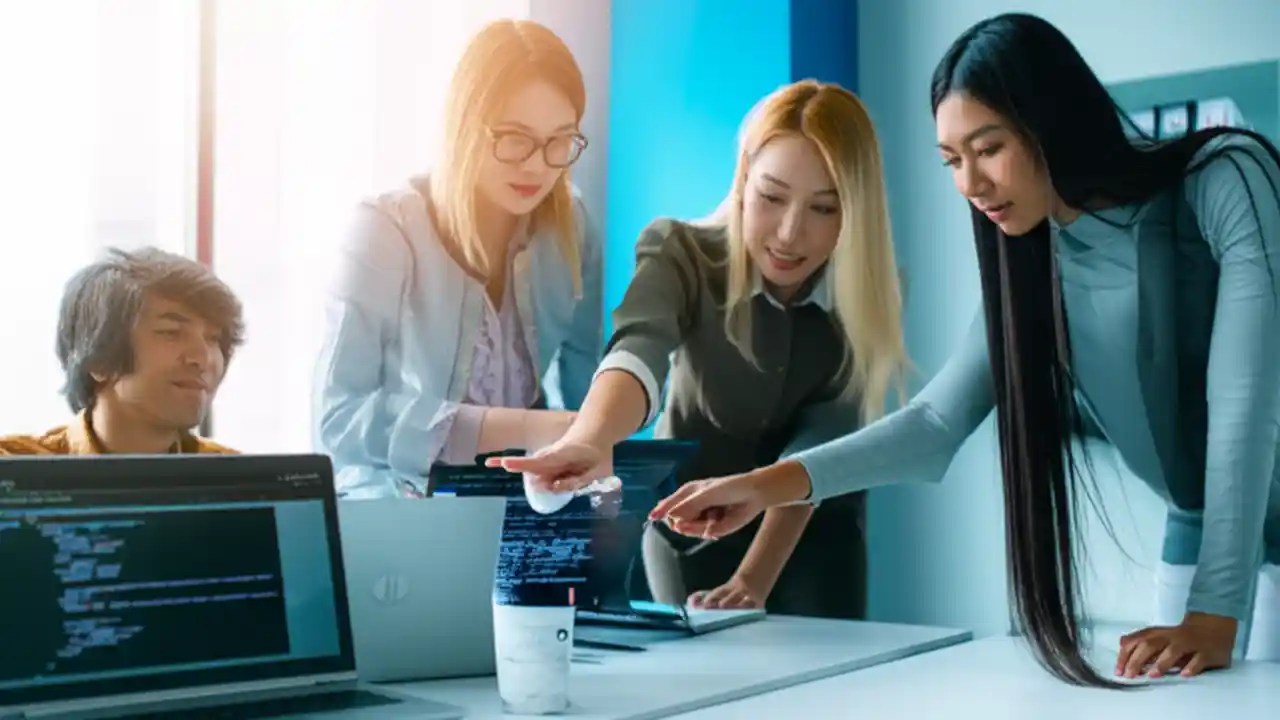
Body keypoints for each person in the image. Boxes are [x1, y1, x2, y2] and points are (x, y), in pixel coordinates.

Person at [649, 12, 1280, 687]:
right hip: (1199, 528)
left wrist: (1215, 611)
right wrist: (761, 486)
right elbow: (935, 424)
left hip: (1227, 553)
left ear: (1052, 121)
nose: (970, 184)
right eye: (952, 160)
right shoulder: (1035, 266)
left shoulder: (1227, 175)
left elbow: (1243, 402)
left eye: (988, 148)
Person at [490, 79, 909, 619]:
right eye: (772, 197)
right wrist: (591, 440)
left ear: (854, 212)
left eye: (823, 209)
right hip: (690, 527)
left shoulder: (866, 289)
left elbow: (823, 439)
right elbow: (639, 348)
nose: (789, 233)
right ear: (742, 182)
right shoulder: (678, 251)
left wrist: (752, 579)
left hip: (812, 536)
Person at [312, 19, 603, 498]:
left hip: (523, 495)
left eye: (559, 140)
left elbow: (585, 395)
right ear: (463, 126)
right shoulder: (386, 229)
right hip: (399, 499)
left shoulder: (572, 223)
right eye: (514, 137)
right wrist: (522, 427)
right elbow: (337, 417)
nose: (537, 164)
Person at [0, 247, 243, 455]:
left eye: (213, 339)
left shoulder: (243, 480)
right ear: (99, 359)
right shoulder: (14, 468)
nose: (202, 358)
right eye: (171, 333)